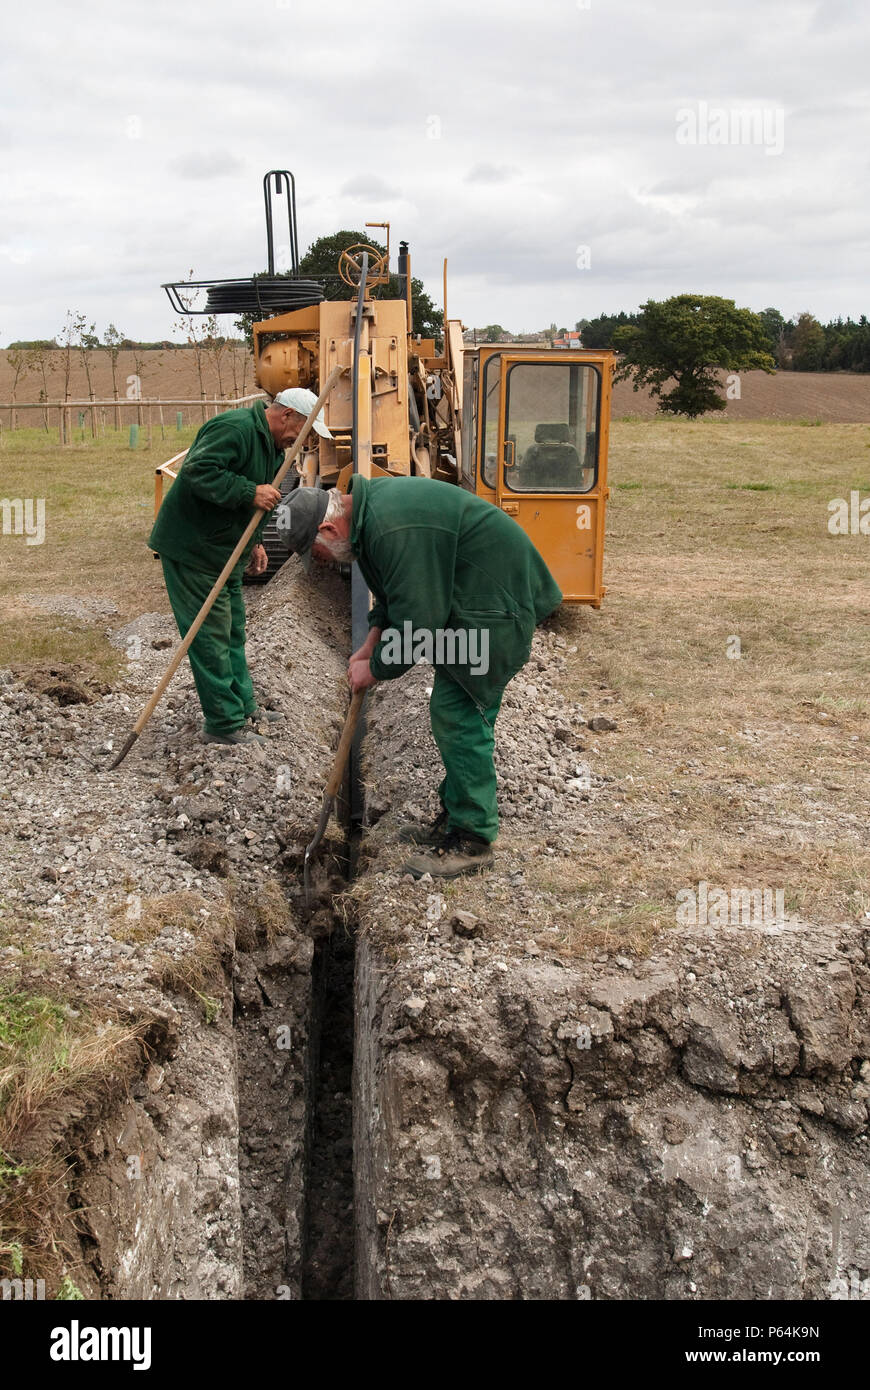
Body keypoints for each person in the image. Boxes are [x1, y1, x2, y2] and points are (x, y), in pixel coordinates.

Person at [273, 474, 562, 877]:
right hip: (471, 602)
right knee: (457, 711)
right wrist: (371, 641)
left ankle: (472, 839)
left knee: (457, 712)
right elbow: (393, 595)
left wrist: (375, 669)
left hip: (496, 608)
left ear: (327, 528)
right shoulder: (369, 520)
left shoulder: (392, 528)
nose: (321, 561)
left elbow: (419, 621)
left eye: (317, 553)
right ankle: (457, 817)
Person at [148, 388, 332, 745]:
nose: (306, 440)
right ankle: (223, 723)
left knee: (232, 629)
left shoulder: (272, 446)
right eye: (305, 430)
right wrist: (249, 491)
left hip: (226, 549)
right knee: (211, 635)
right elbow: (198, 472)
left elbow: (258, 501)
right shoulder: (234, 429)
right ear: (286, 416)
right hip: (194, 550)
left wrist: (255, 542)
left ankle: (244, 705)